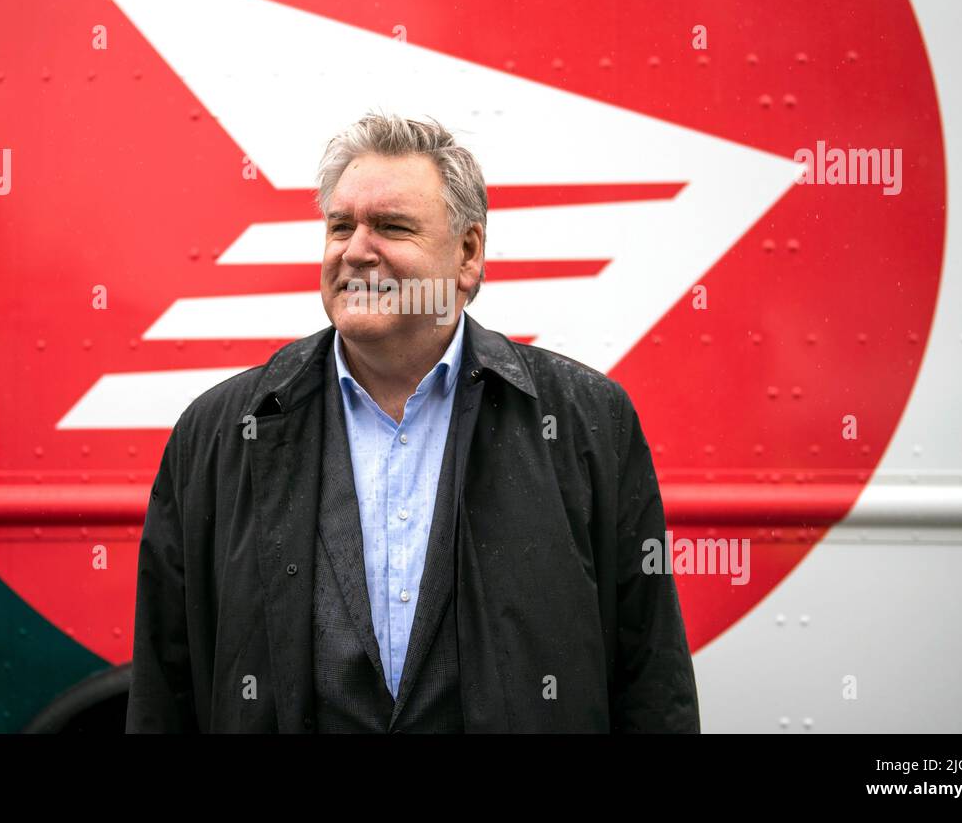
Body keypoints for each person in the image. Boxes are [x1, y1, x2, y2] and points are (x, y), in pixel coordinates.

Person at [125, 111, 700, 732]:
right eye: (339, 226)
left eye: (391, 227)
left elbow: (651, 674)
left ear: (468, 254)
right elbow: (166, 685)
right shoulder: (218, 433)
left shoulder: (587, 421)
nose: (355, 249)